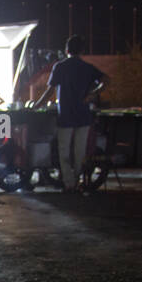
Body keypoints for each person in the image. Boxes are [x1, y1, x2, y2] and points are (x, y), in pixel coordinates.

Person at [33, 35, 106, 193]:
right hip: (83, 116)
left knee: (64, 151)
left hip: (65, 116)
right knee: (79, 152)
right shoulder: (87, 67)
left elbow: (49, 90)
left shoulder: (59, 66)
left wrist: (36, 105)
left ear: (66, 50)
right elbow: (106, 80)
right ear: (82, 50)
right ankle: (78, 180)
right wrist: (93, 93)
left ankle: (69, 184)